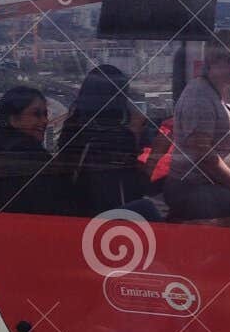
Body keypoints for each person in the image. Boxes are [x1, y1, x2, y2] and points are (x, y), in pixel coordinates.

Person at [165, 29, 230, 220]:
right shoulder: (199, 95)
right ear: (211, 60)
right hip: (198, 188)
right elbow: (202, 152)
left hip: (227, 183)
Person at [55, 64, 163, 218]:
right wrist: (137, 135)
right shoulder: (118, 139)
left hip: (81, 211)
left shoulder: (75, 126)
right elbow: (140, 184)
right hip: (113, 215)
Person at [0, 86, 51, 214]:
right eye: (36, 114)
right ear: (13, 119)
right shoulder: (27, 157)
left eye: (45, 114)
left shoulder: (3, 149)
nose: (45, 120)